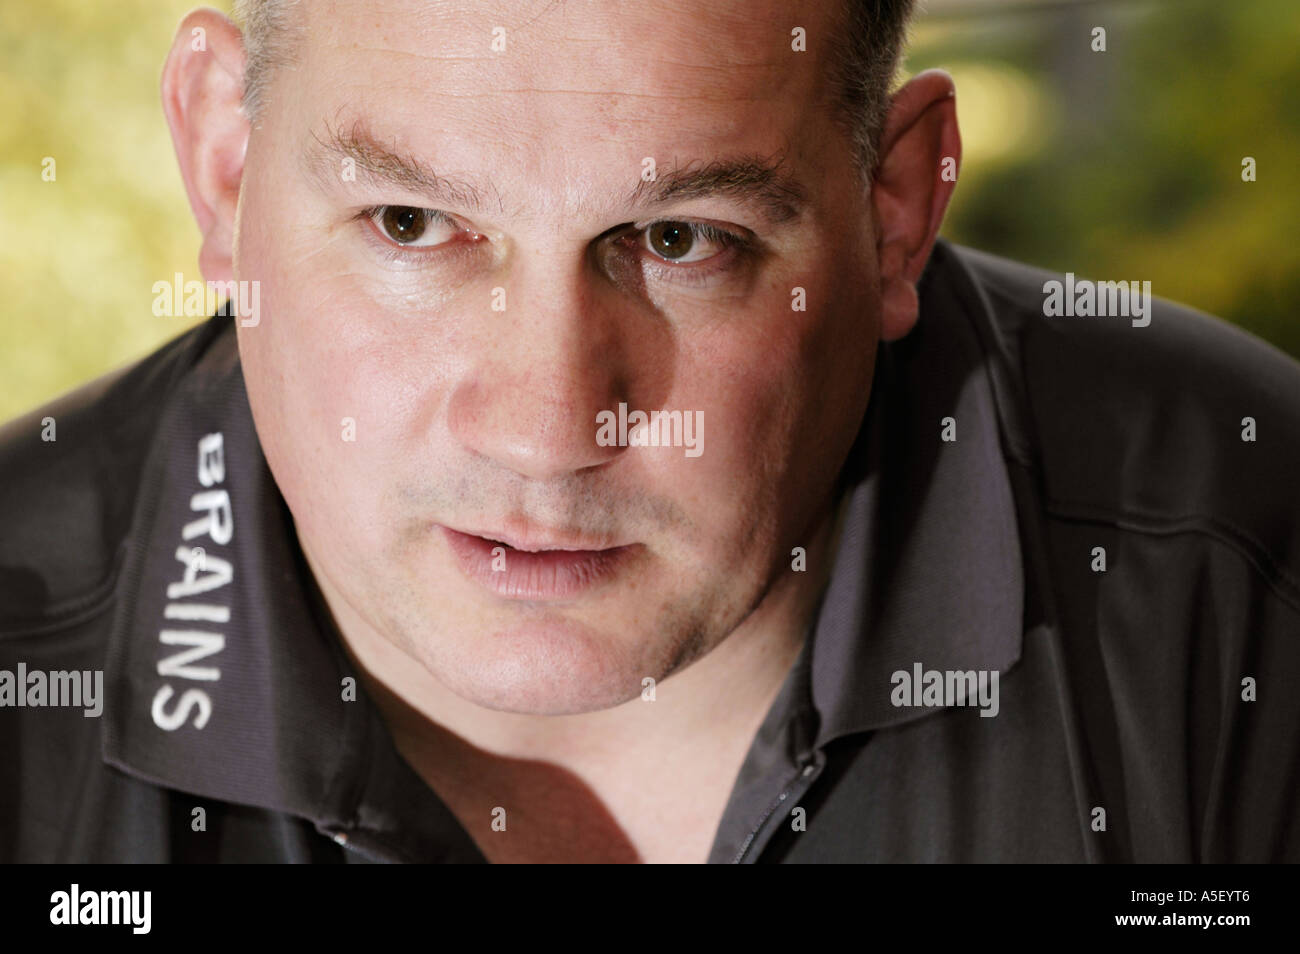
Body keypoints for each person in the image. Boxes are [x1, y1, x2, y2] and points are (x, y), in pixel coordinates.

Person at [1, 0, 1297, 863]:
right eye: (411, 224)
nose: (548, 429)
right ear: (225, 168)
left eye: (681, 241)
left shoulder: (1246, 586)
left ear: (893, 207)